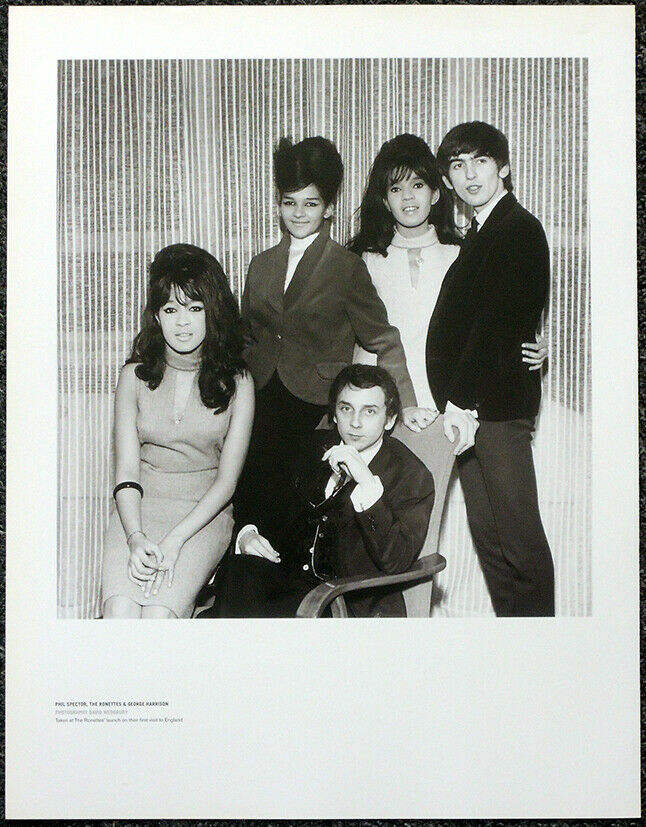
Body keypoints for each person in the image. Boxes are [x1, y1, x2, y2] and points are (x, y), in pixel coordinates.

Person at [235, 136, 421, 525]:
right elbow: (247, 338)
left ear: (329, 208)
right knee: (252, 507)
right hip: (262, 400)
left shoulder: (346, 267)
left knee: (295, 515)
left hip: (316, 408)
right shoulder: (260, 265)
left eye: (311, 203)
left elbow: (383, 338)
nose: (299, 213)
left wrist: (407, 403)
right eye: (289, 203)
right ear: (279, 206)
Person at [426, 121, 554, 616]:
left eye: (480, 161)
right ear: (450, 181)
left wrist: (460, 402)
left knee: (519, 547)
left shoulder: (518, 228)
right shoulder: (482, 232)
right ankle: (512, 652)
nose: (469, 174)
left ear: (503, 166)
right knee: (494, 547)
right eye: (457, 165)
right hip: (473, 413)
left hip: (492, 411)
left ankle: (540, 658)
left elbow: (498, 325)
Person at [199, 365, 434, 618]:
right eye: (346, 409)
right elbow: (268, 503)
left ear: (389, 420)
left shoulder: (412, 475)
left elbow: (396, 560)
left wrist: (366, 481)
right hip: (291, 581)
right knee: (239, 569)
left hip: (348, 601)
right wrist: (249, 533)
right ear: (334, 413)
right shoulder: (313, 446)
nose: (355, 422)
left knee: (233, 621)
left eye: (369, 411)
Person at [101, 244, 254, 618]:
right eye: (170, 309)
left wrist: (175, 541)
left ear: (212, 312)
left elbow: (226, 483)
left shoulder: (239, 381)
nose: (182, 322)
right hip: (137, 512)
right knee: (120, 612)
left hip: (202, 516)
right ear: (156, 316)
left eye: (194, 308)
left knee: (158, 616)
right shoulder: (133, 376)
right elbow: (126, 472)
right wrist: (136, 538)